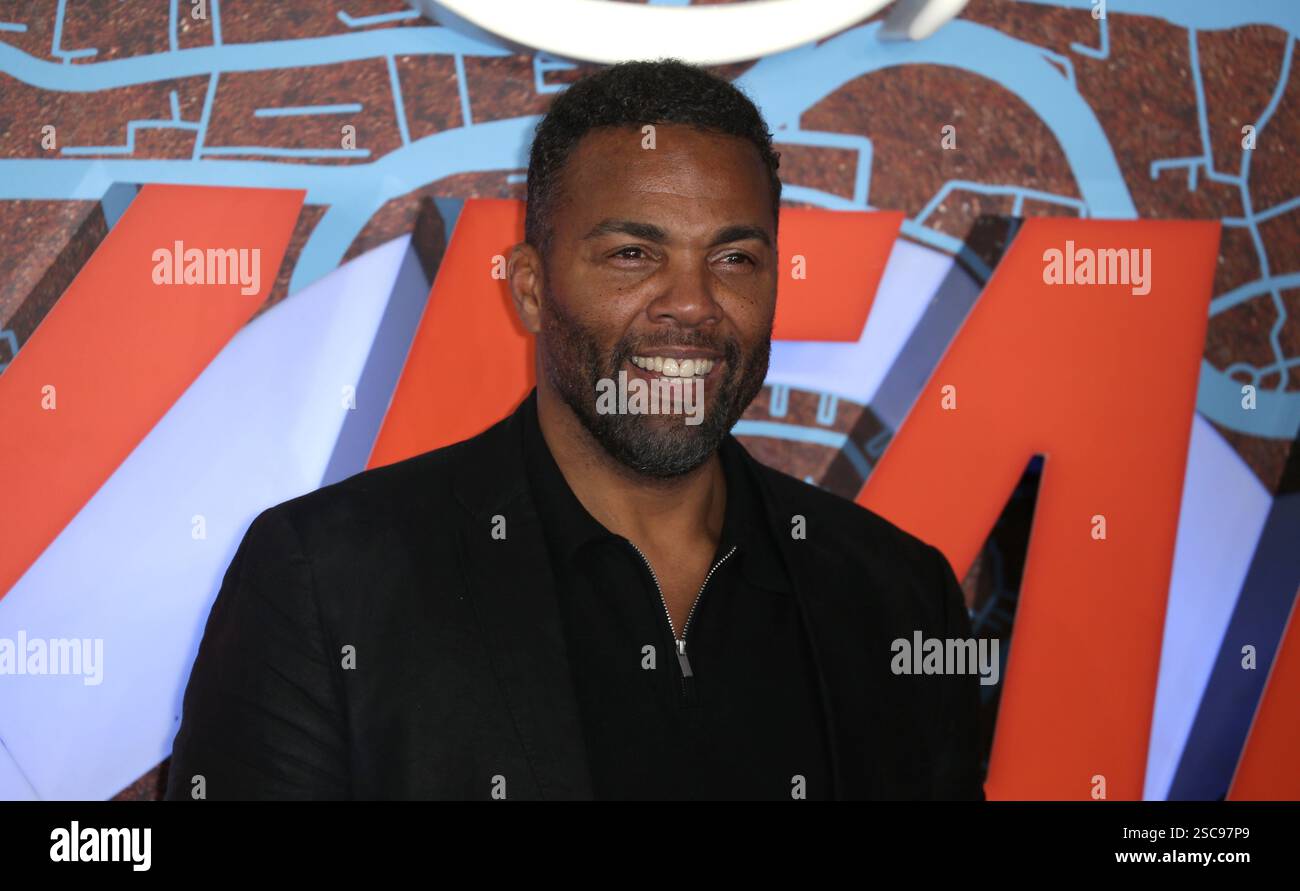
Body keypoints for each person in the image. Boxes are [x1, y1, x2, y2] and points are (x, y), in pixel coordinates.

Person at [165, 58, 984, 801]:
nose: (692, 304)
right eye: (633, 253)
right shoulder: (329, 581)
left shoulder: (898, 595)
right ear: (529, 287)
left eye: (734, 259)